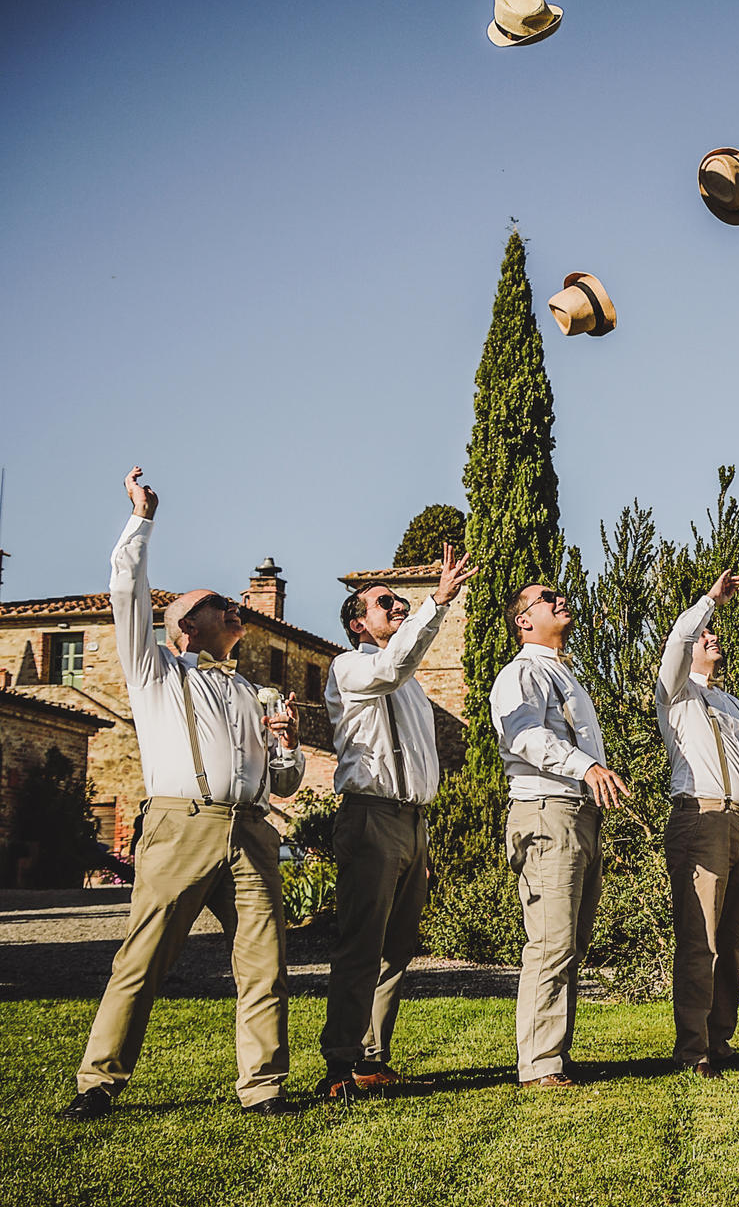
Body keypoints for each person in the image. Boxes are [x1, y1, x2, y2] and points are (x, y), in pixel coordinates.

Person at [61, 467, 305, 1121]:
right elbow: (126, 592)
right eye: (218, 602)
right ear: (183, 627)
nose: (235, 607)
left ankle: (262, 1089)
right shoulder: (155, 672)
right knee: (142, 957)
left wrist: (284, 745)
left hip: (251, 829)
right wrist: (142, 519)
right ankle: (99, 1083)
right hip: (179, 827)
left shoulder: (255, 693)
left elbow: (283, 783)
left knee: (264, 962)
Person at [316, 542, 475, 1100]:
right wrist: (437, 601)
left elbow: (403, 674)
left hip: (413, 822)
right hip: (372, 816)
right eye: (388, 603)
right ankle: (339, 1065)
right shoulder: (351, 665)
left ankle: (372, 1060)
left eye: (402, 601)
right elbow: (391, 666)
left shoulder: (411, 686)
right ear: (359, 622)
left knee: (397, 948)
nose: (399, 606)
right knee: (361, 944)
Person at [491, 582, 629, 1087]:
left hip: (578, 815)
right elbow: (524, 734)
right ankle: (541, 1065)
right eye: (547, 596)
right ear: (524, 620)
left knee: (572, 941)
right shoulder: (521, 672)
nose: (561, 598)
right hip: (547, 812)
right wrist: (586, 766)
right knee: (550, 942)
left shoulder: (564, 674)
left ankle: (555, 1055)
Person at [657, 569, 739, 1078]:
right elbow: (679, 641)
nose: (711, 637)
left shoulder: (732, 703)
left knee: (736, 940)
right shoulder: (675, 691)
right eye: (705, 635)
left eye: (713, 633)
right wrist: (710, 601)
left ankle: (720, 1043)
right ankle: (692, 1051)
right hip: (700, 818)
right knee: (702, 940)